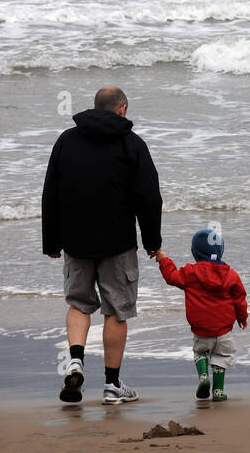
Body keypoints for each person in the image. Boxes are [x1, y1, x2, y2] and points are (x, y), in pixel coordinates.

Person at [42, 85, 162, 406]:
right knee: (116, 311)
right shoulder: (131, 144)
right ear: (122, 109)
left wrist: (52, 240)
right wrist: (153, 241)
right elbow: (148, 197)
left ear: (95, 107)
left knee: (79, 304)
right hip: (117, 243)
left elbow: (51, 192)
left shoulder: (67, 141)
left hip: (76, 241)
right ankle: (112, 385)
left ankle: (77, 361)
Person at [155, 230, 248, 404]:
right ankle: (218, 391)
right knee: (222, 357)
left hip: (201, 329)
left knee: (200, 352)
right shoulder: (231, 275)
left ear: (195, 253)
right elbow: (240, 298)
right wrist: (242, 317)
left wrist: (163, 259)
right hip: (223, 330)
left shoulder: (190, 273)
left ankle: (204, 376)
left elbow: (171, 276)